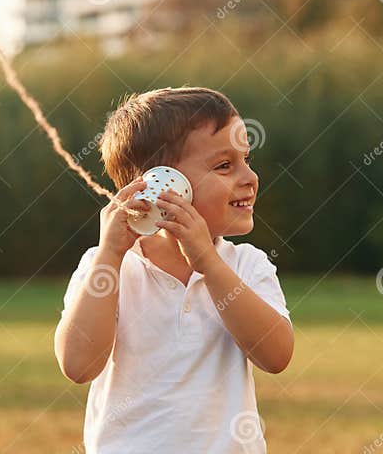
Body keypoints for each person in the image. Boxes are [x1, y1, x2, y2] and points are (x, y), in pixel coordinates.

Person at [54, 87, 294, 453]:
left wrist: (208, 265)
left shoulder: (246, 265)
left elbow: (276, 356)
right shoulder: (105, 268)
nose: (249, 177)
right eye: (225, 165)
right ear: (164, 185)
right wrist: (109, 257)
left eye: (246, 159)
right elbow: (78, 365)